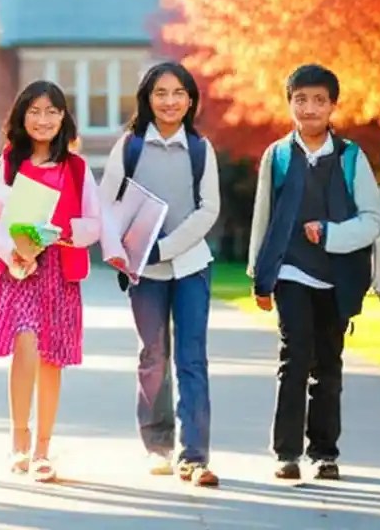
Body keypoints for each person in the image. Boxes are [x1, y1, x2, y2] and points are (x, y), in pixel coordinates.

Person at [0, 80, 121, 483]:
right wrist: (13, 251)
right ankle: (18, 443)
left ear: (63, 118)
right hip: (22, 269)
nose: (43, 120)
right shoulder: (6, 165)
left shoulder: (76, 168)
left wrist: (65, 230)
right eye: (35, 112)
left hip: (59, 270)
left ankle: (42, 449)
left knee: (51, 357)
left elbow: (95, 221)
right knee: (25, 346)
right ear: (22, 117)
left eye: (52, 112)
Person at [246, 64, 380, 481]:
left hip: (337, 274)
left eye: (319, 100)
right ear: (290, 103)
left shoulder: (350, 157)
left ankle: (324, 452)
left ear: (333, 106)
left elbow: (372, 219)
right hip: (291, 272)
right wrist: (260, 274)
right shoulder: (278, 155)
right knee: (294, 356)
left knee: (329, 364)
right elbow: (263, 218)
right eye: (301, 99)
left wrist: (329, 235)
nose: (309, 108)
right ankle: (286, 452)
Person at [98, 61, 222, 487]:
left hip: (191, 267)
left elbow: (210, 210)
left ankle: (195, 455)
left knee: (192, 358)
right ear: (147, 99)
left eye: (178, 94)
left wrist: (165, 248)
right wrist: (121, 251)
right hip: (144, 273)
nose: (169, 102)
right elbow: (107, 206)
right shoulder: (129, 146)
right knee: (152, 356)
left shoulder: (201, 150)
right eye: (160, 93)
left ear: (190, 100)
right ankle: (157, 445)